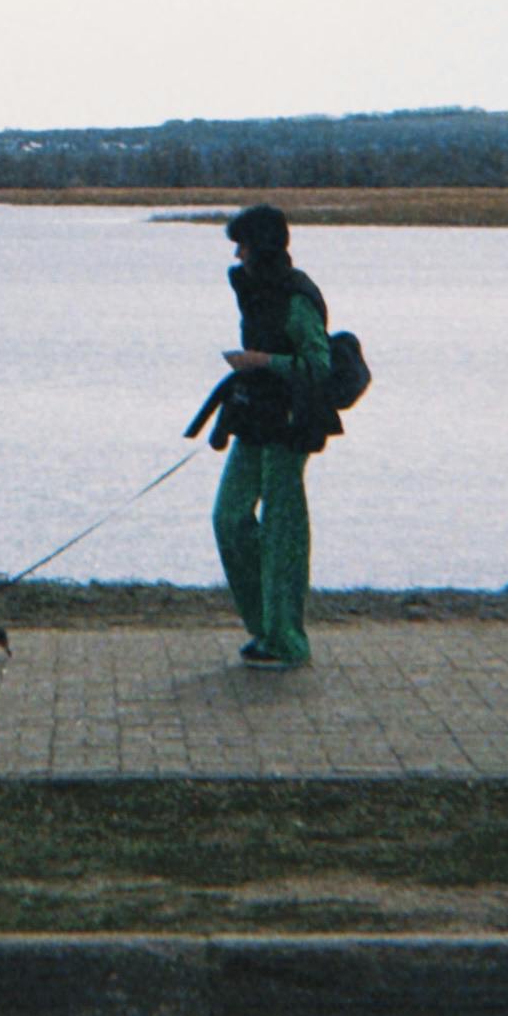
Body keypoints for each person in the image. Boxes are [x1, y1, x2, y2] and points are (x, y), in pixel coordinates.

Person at [186, 201, 339, 669]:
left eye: (243, 244)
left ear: (262, 248)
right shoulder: (254, 290)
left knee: (282, 532)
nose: (236, 254)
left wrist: (263, 362)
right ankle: (266, 627)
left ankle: (287, 639)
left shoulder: (296, 297)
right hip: (254, 420)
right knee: (229, 517)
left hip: (292, 426)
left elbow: (319, 366)